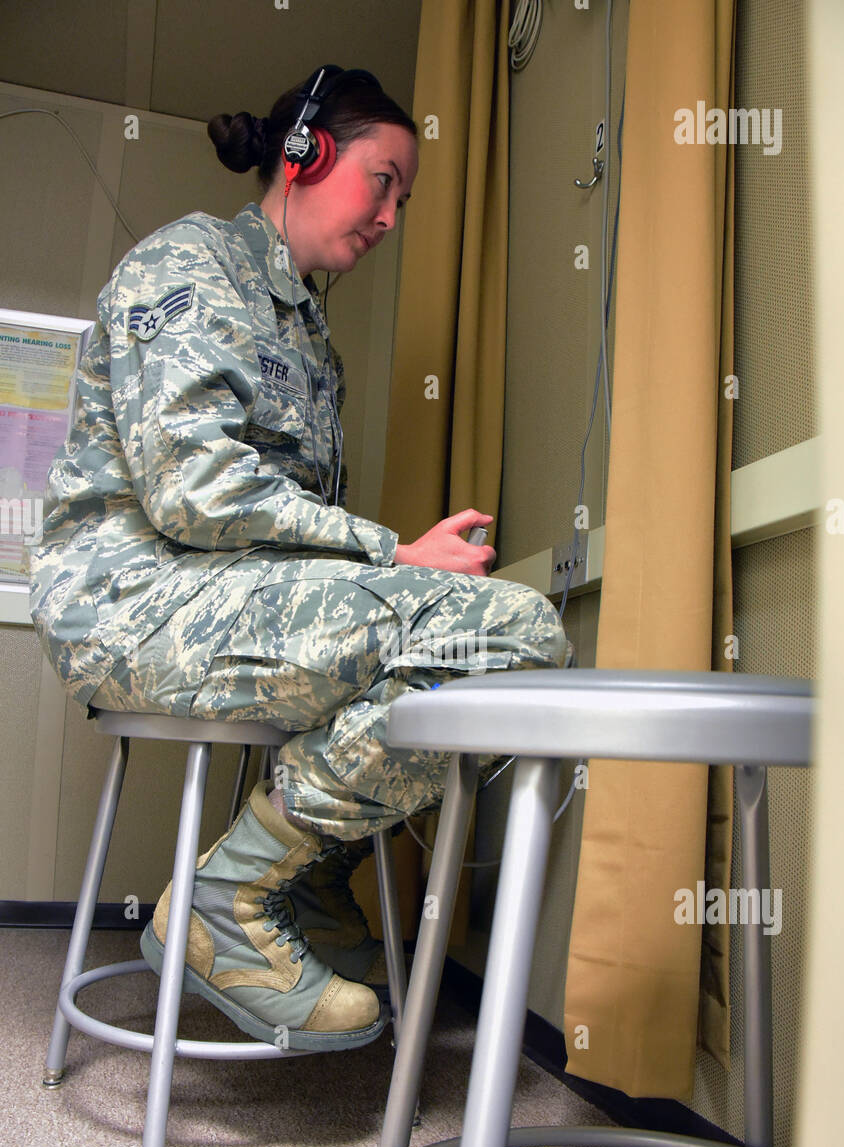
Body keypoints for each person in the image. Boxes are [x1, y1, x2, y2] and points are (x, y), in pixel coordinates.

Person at [28, 65, 572, 1054]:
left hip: (218, 595)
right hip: (136, 603)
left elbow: (286, 526)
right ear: (305, 154)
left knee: (460, 643)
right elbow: (195, 490)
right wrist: (394, 553)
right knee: (514, 635)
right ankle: (227, 898)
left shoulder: (312, 337)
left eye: (405, 197)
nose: (391, 215)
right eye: (382, 180)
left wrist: (392, 574)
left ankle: (302, 883)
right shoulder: (191, 264)